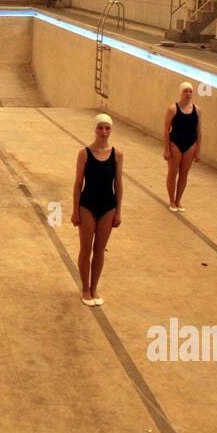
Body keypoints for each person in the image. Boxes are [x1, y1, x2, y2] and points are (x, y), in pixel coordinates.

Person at [71, 114, 123, 306]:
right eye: (100, 128)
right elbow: (77, 185)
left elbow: (118, 184)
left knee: (99, 250)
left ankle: (94, 288)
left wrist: (118, 211)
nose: (104, 132)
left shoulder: (117, 154)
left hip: (108, 206)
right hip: (87, 205)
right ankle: (85, 288)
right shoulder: (84, 153)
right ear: (95, 129)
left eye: (107, 128)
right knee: (86, 249)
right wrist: (75, 211)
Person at [163, 82, 202, 211]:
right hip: (175, 143)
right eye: (186, 91)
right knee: (173, 173)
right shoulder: (173, 109)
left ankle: (178, 200)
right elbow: (166, 130)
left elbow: (198, 131)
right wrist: (166, 149)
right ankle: (171, 201)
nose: (188, 94)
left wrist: (198, 151)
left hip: (190, 144)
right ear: (181, 93)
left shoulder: (197, 110)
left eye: (190, 91)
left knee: (184, 174)